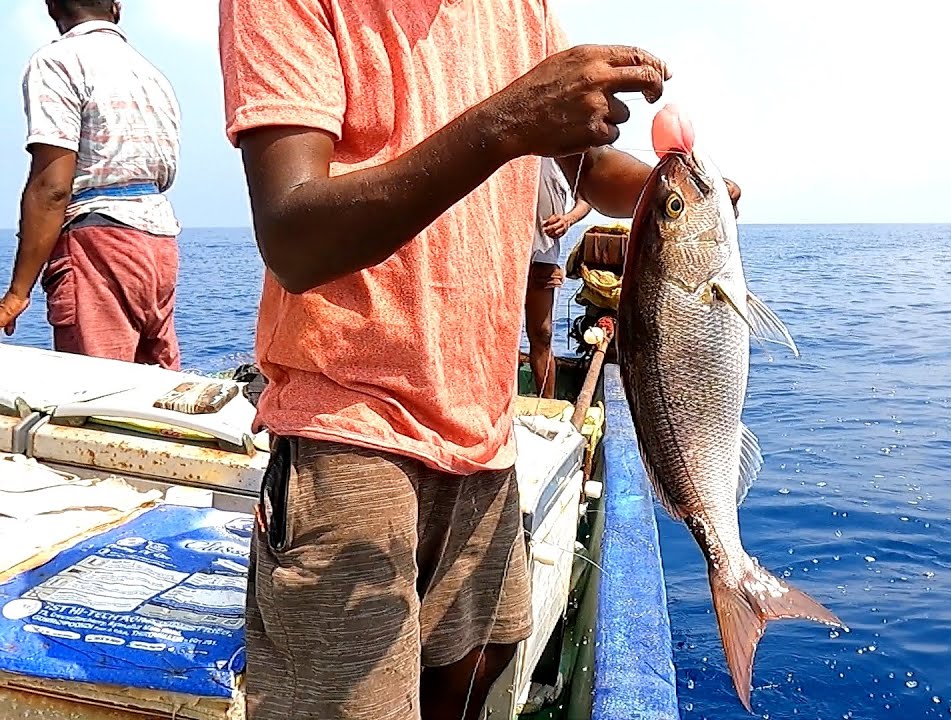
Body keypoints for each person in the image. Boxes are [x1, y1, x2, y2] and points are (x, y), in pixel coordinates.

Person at [217, 2, 740, 719]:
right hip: (349, 433)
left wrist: (671, 196)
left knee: (476, 671)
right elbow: (292, 234)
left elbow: (585, 164)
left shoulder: (520, 9)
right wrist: (508, 121)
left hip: (487, 439)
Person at [1, 0, 182, 369]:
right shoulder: (151, 74)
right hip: (160, 243)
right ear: (117, 8)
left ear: (52, 7)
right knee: (156, 385)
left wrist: (18, 293)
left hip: (97, 242)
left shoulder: (56, 61)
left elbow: (52, 188)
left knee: (96, 386)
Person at [527, 156, 592, 398]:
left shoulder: (564, 154)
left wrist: (567, 220)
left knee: (542, 334)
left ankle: (547, 403)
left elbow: (586, 198)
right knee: (498, 331)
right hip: (501, 256)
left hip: (543, 257)